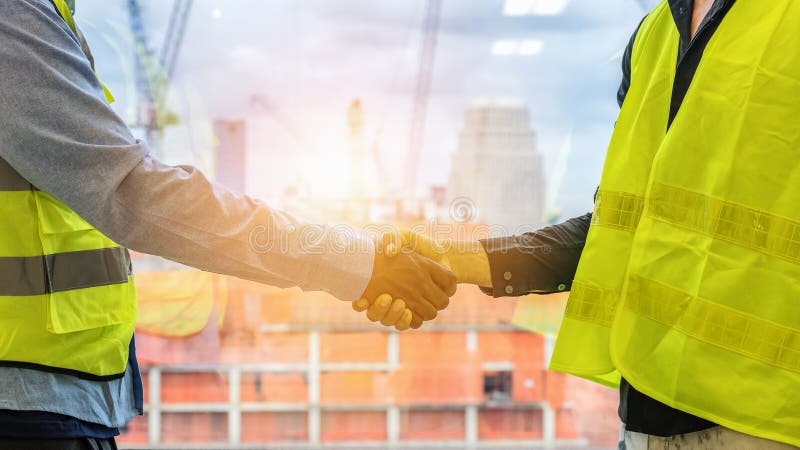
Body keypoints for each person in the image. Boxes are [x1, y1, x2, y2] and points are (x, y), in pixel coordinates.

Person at [0, 1, 456, 448]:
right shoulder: (13, 18)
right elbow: (134, 195)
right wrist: (359, 263)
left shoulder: (42, 14)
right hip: (24, 412)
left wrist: (363, 260)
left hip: (46, 402)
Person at [361, 0, 800, 448]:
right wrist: (453, 259)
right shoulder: (655, 34)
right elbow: (621, 226)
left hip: (767, 422)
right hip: (648, 411)